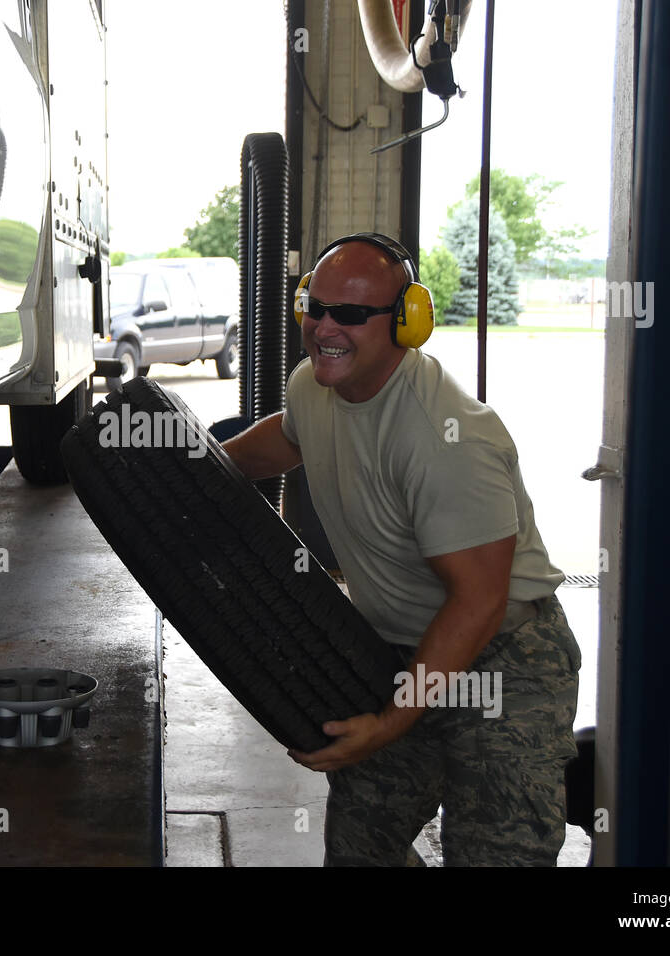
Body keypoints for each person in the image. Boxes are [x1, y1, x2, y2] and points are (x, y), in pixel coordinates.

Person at [222, 233, 581, 866]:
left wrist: (391, 723)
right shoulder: (315, 386)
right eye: (316, 306)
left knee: (496, 856)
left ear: (407, 321)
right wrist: (202, 472)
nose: (325, 327)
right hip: (397, 652)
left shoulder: (447, 439)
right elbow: (289, 435)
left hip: (505, 666)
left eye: (353, 315)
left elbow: (477, 603)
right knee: (361, 852)